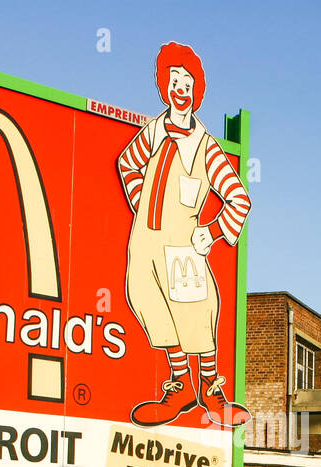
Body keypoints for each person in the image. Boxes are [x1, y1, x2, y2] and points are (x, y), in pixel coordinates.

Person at [117, 42, 251, 428]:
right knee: (149, 304)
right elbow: (127, 164)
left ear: (197, 89)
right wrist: (142, 205)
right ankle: (181, 386)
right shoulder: (152, 133)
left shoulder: (205, 147)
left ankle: (210, 385)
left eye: (188, 80)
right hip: (144, 243)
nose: (180, 87)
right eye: (174, 79)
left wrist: (212, 232)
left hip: (183, 244)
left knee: (194, 313)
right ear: (163, 85)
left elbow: (239, 199)